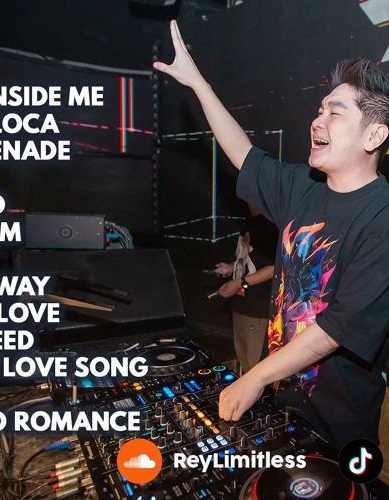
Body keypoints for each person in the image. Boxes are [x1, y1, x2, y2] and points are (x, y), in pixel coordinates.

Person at [154, 20, 389, 449]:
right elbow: (243, 154)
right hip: (282, 401)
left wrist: (254, 377)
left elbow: (336, 329)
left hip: (337, 426)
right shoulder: (302, 187)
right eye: (320, 109)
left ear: (374, 134)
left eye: (335, 112)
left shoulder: (382, 218)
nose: (317, 120)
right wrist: (199, 85)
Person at [214, 208, 278, 374]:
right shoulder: (249, 221)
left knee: (256, 369)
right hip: (241, 304)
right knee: (244, 362)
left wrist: (239, 282)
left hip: (258, 308)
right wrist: (231, 267)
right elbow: (249, 259)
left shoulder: (269, 224)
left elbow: (274, 267)